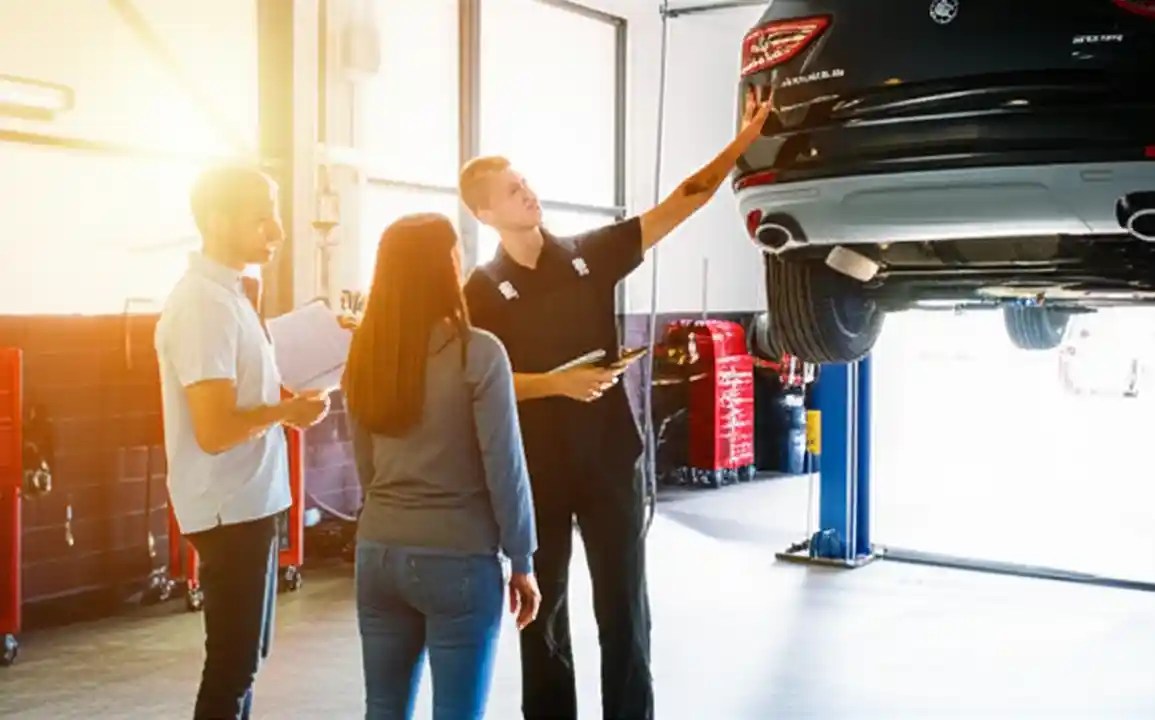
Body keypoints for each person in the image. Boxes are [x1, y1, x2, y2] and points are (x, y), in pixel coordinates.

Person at [459, 98, 772, 719]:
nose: (528, 194)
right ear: (485, 211)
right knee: (541, 612)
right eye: (512, 191)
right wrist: (554, 384)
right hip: (537, 470)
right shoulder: (480, 290)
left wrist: (744, 141)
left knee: (624, 607)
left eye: (526, 183)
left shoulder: (588, 253)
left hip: (610, 460)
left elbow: (683, 199)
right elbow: (477, 386)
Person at [343, 213, 541, 720]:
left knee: (382, 708)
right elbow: (505, 465)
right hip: (457, 558)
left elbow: (365, 464)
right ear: (447, 266)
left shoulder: (366, 354)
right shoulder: (478, 353)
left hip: (378, 553)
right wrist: (522, 558)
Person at [155, 165, 332, 720]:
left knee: (244, 662)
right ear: (216, 220)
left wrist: (284, 403)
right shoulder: (204, 304)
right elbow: (214, 430)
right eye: (262, 218)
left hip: (249, 502)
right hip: (228, 506)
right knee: (232, 668)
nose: (276, 232)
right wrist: (287, 411)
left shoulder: (229, 295)